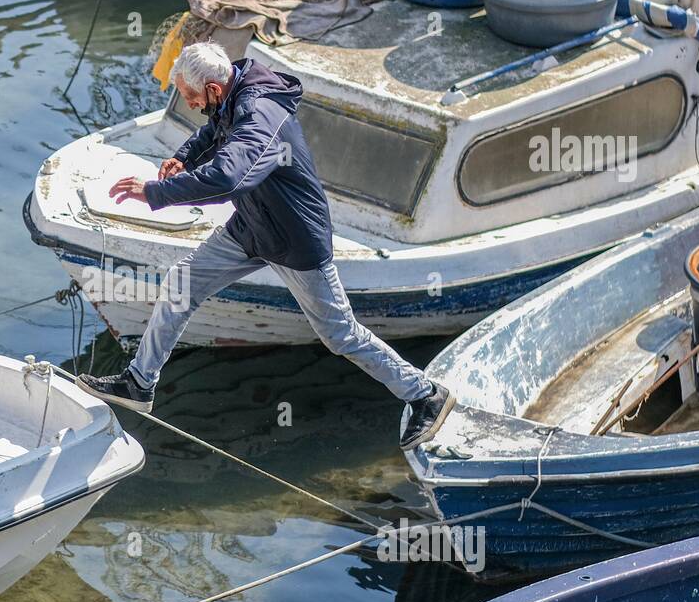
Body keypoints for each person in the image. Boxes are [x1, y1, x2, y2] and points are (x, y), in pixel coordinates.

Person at [76, 41, 454, 450]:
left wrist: (155, 193)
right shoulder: (230, 91)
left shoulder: (260, 113)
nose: (189, 104)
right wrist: (184, 157)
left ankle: (426, 395)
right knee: (179, 282)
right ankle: (138, 383)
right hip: (252, 226)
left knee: (340, 335)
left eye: (189, 98)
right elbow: (212, 129)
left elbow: (227, 177)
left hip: (295, 240)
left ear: (214, 91)